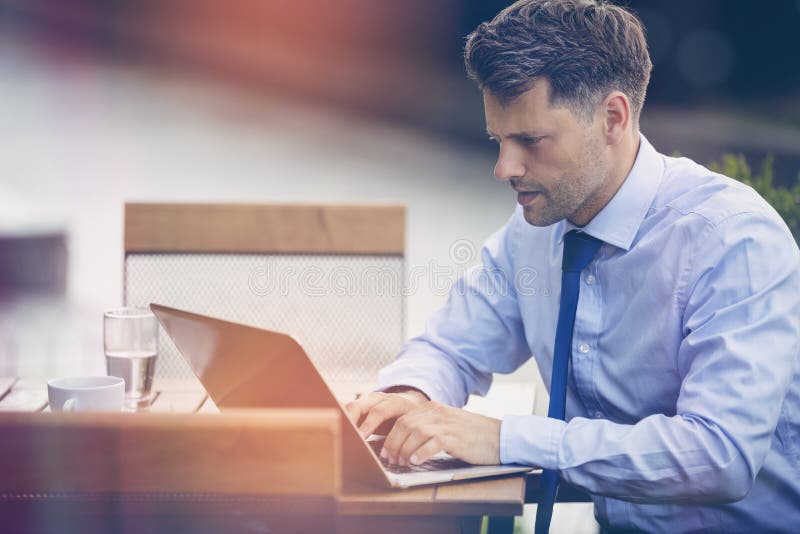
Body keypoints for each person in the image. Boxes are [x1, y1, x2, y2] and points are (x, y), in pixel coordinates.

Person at [345, 0, 800, 532]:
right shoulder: (535, 230)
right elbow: (451, 346)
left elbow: (718, 456)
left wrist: (499, 438)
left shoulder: (734, 240)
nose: (503, 168)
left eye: (530, 141)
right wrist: (408, 399)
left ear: (613, 117)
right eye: (499, 141)